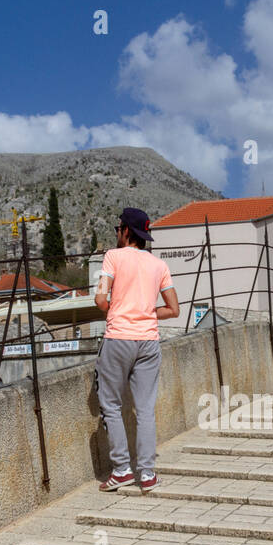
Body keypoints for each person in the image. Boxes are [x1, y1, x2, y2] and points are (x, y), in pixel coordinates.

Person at [94, 207, 181, 493]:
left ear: (126, 231)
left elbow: (100, 300)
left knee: (111, 405)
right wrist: (144, 311)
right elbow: (174, 309)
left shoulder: (113, 256)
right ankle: (147, 474)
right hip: (148, 342)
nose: (116, 234)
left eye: (117, 229)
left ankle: (121, 470)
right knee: (145, 409)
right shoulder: (159, 265)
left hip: (118, 338)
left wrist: (119, 308)